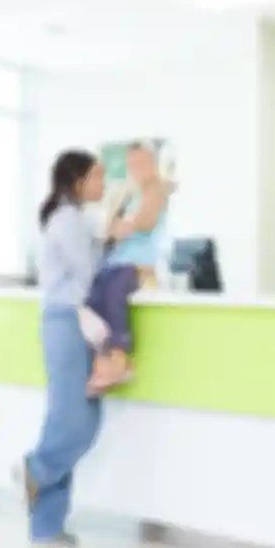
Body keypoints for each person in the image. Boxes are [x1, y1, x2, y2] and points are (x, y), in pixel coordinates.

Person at [23, 149, 107, 544]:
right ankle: (36, 471)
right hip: (66, 320)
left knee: (71, 420)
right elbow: (87, 277)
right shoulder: (70, 220)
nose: (102, 186)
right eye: (97, 177)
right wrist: (107, 240)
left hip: (73, 321)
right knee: (74, 422)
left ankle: (46, 526)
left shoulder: (73, 219)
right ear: (77, 181)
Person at [80, 142, 169, 394]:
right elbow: (108, 227)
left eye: (141, 163)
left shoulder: (156, 187)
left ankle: (120, 359)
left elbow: (145, 221)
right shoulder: (128, 194)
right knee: (92, 298)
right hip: (114, 263)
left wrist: (122, 225)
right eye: (132, 164)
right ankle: (103, 361)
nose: (137, 169)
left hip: (138, 266)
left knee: (115, 292)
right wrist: (115, 226)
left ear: (152, 163)